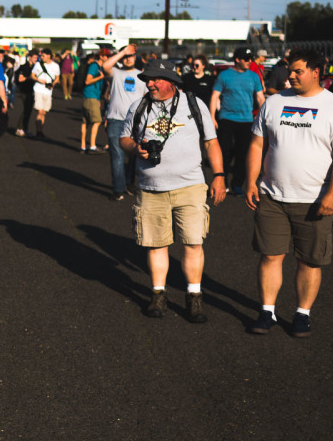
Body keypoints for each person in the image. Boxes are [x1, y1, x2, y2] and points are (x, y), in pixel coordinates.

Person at [245, 50, 333, 338]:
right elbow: (258, 145)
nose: (290, 76)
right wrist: (251, 181)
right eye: (289, 70)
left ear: (316, 71)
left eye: (297, 71)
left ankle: (301, 314)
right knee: (270, 256)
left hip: (314, 200)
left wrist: (332, 194)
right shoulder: (274, 102)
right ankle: (267, 312)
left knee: (309, 260)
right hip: (272, 196)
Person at [120, 59, 226, 322]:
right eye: (147, 79)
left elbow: (211, 142)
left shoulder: (194, 104)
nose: (150, 84)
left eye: (155, 79)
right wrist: (135, 148)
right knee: (156, 245)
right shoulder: (139, 105)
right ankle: (158, 295)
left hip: (190, 186)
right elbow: (124, 139)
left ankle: (194, 297)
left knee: (193, 243)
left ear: (171, 81)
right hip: (151, 187)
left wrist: (219, 176)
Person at [210, 46, 265, 195]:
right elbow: (215, 96)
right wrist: (212, 117)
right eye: (246, 59)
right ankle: (223, 181)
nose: (249, 61)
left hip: (246, 120)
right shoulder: (224, 76)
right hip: (227, 118)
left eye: (250, 58)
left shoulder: (253, 76)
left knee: (243, 154)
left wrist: (264, 116)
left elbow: (260, 97)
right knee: (224, 152)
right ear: (237, 60)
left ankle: (237, 184)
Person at [101, 44, 148, 201]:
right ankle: (118, 188)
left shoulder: (142, 76)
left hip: (135, 122)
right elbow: (105, 65)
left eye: (131, 56)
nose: (128, 59)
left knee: (134, 155)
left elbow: (147, 99)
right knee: (117, 156)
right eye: (125, 57)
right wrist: (122, 52)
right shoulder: (116, 73)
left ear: (135, 57)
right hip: (115, 119)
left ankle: (129, 183)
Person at [29, 48, 59, 140]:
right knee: (40, 111)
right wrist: (39, 80)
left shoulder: (55, 66)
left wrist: (54, 83)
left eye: (43, 55)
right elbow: (32, 76)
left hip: (48, 91)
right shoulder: (38, 65)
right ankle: (38, 131)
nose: (41, 57)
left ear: (49, 55)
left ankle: (41, 131)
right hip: (38, 89)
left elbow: (57, 78)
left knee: (44, 112)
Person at [79, 52, 105, 153]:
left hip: (90, 96)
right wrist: (100, 77)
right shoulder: (95, 66)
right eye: (107, 56)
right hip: (90, 96)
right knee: (97, 121)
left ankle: (83, 146)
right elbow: (87, 81)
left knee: (85, 122)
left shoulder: (96, 66)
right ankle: (92, 146)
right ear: (102, 57)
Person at [13, 50, 37, 137]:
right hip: (24, 90)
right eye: (34, 57)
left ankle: (25, 129)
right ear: (29, 57)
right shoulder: (24, 67)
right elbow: (20, 79)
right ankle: (19, 128)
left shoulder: (34, 67)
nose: (36, 59)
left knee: (29, 110)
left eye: (36, 57)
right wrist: (29, 77)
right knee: (26, 110)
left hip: (31, 90)